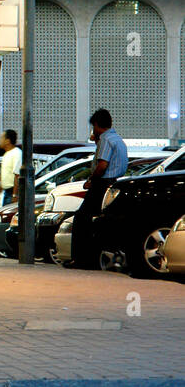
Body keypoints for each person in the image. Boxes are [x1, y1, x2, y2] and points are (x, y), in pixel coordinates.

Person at [70, 108, 128, 269]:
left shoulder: (105, 140)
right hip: (114, 184)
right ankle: (93, 257)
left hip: (102, 184)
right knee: (98, 221)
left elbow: (102, 165)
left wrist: (91, 180)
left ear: (96, 124)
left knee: (81, 219)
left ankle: (80, 259)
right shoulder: (117, 139)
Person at [0, 129, 21, 206]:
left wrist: (15, 195)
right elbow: (3, 176)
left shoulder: (17, 153)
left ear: (7, 141)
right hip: (6, 193)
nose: (0, 140)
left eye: (1, 138)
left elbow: (17, 175)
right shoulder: (6, 154)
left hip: (12, 193)